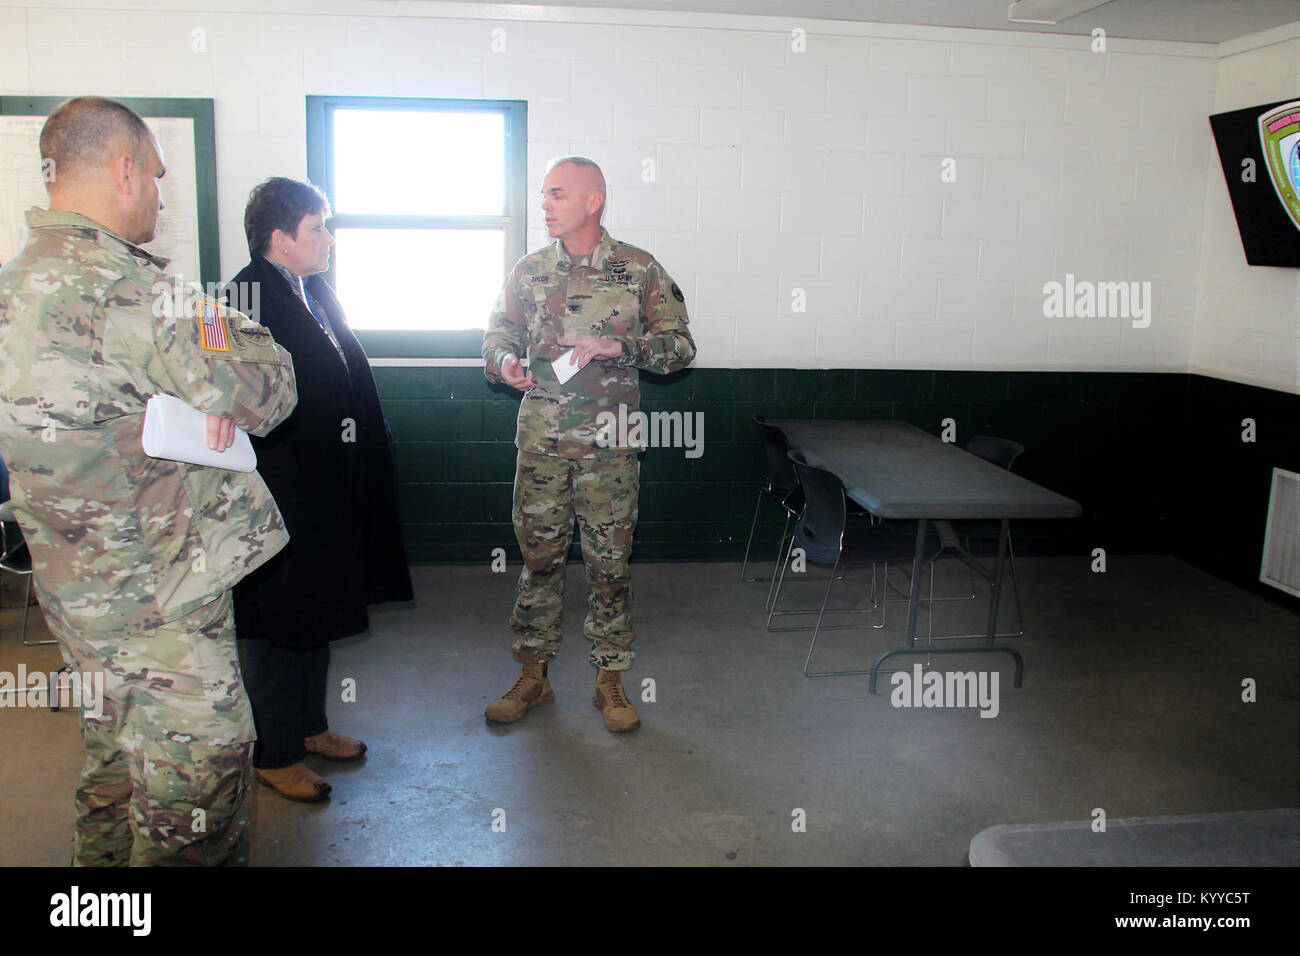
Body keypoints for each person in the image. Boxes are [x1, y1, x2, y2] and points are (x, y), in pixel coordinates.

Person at [0, 96, 297, 865]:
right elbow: (268, 386)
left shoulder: (12, 285)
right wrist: (226, 332)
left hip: (75, 592)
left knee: (113, 763)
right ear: (125, 169)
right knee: (198, 788)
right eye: (158, 177)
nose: (161, 198)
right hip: (158, 600)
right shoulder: (137, 292)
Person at [482, 156, 696, 732]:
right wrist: (503, 361)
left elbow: (679, 347)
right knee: (539, 561)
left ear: (593, 200)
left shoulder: (639, 270)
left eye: (557, 194)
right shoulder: (529, 272)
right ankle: (534, 674)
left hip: (611, 442)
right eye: (544, 195)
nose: (545, 205)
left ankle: (610, 678)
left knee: (608, 564)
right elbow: (498, 332)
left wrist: (619, 350)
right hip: (542, 441)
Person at [225, 177, 412, 803]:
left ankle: (307, 727)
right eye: (317, 228)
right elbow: (230, 396)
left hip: (325, 488)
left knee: (314, 612)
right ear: (280, 238)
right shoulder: (243, 297)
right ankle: (273, 753)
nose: (328, 238)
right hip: (279, 490)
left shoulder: (312, 288)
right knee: (278, 622)